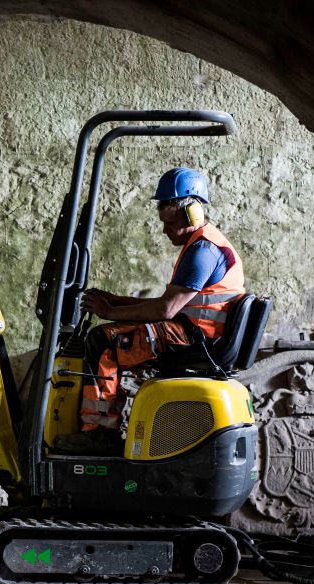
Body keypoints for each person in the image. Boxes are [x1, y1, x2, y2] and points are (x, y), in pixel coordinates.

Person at [59, 167, 245, 452]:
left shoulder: (203, 251)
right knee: (111, 336)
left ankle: (101, 434)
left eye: (170, 224)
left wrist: (109, 311)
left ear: (192, 212)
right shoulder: (204, 243)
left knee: (104, 341)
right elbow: (166, 303)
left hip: (193, 337)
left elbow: (166, 310)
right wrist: (115, 300)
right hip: (191, 330)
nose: (164, 230)